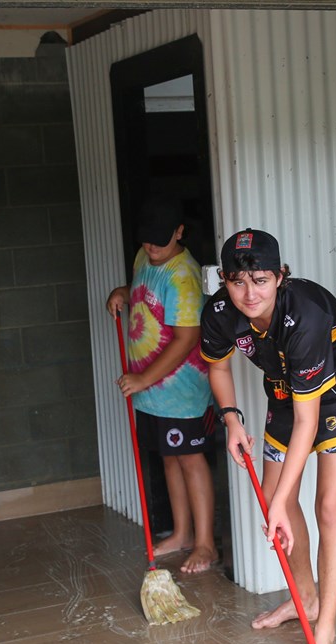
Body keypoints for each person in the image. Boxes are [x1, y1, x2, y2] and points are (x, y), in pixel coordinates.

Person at [201, 228, 336, 644]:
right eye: (237, 281)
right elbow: (217, 365)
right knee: (277, 495)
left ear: (280, 276)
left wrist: (277, 503)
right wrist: (232, 418)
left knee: (329, 506)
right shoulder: (219, 312)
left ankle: (326, 634)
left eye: (260, 280)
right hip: (284, 386)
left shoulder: (306, 316)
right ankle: (306, 598)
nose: (249, 293)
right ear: (224, 279)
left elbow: (308, 423)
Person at [106, 197, 218, 574]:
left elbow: (186, 338)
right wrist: (123, 292)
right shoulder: (145, 257)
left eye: (160, 241)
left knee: (190, 459)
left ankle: (205, 543)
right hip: (154, 393)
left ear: (179, 232)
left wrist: (142, 378)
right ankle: (182, 534)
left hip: (181, 392)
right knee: (170, 458)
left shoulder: (183, 276)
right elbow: (141, 286)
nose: (152, 248)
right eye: (147, 241)